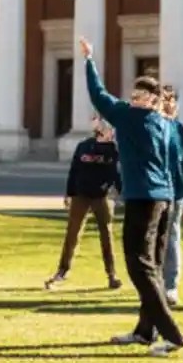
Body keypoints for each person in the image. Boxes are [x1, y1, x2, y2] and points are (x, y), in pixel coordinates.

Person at [79, 37, 183, 357]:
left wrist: (89, 61)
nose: (133, 98)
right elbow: (174, 161)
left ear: (152, 99)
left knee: (139, 267)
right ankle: (144, 332)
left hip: (143, 198)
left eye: (139, 95)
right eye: (133, 94)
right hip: (164, 199)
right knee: (151, 265)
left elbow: (98, 96)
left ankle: (173, 335)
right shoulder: (167, 125)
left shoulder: (128, 116)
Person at [45, 117, 123, 291]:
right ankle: (62, 271)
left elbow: (116, 173)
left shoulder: (114, 150)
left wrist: (120, 191)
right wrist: (69, 193)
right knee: (72, 233)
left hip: (102, 197)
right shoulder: (84, 146)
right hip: (81, 195)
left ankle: (111, 274)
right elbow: (74, 170)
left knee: (106, 236)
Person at [160, 85, 183, 307]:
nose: (167, 103)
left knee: (171, 237)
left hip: (176, 192)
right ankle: (154, 282)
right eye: (163, 99)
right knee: (152, 238)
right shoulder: (150, 128)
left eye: (171, 100)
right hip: (152, 192)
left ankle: (171, 285)